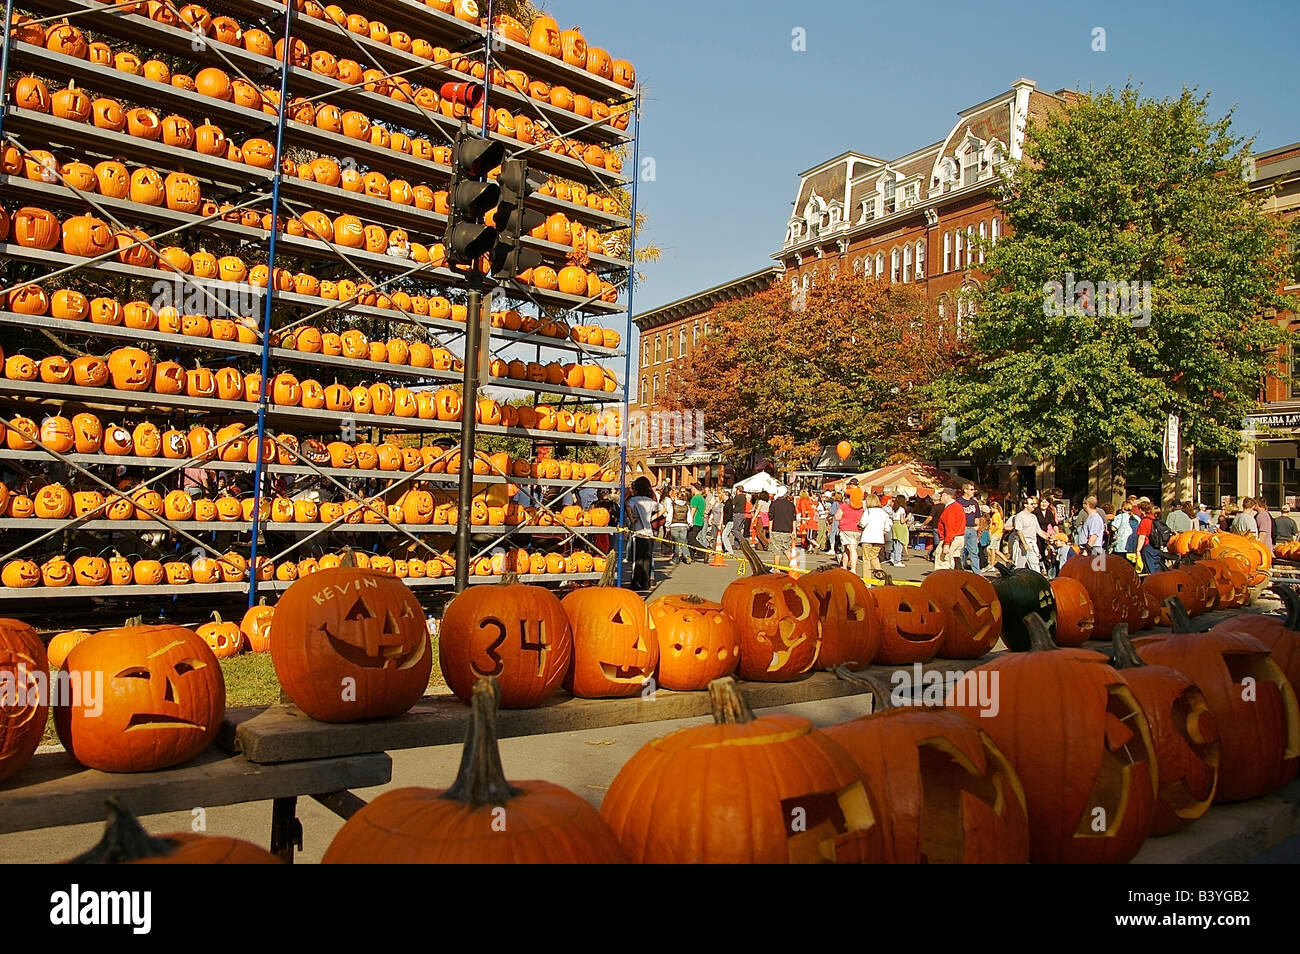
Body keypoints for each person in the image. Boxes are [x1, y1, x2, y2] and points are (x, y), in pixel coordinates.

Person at [625, 477, 658, 591]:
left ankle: (635, 582)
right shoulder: (650, 501)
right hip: (648, 532)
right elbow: (662, 509)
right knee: (647, 558)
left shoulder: (634, 500)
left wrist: (632, 519)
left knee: (638, 559)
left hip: (638, 532)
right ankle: (646, 582)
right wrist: (652, 518)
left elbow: (628, 507)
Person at [934, 490, 967, 571]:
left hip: (951, 539)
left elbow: (950, 527)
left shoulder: (950, 508)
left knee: (943, 564)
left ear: (947, 496)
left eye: (942, 496)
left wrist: (946, 543)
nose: (940, 498)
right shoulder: (959, 506)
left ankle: (943, 582)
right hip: (960, 537)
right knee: (955, 561)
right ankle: (958, 580)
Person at [859, 493, 890, 578]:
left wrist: (860, 526)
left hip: (867, 537)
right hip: (879, 538)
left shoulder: (868, 512)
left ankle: (867, 579)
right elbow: (888, 527)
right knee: (874, 556)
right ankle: (880, 575)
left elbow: (862, 523)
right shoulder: (884, 513)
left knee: (866, 559)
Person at [767, 487, 797, 571]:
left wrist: (770, 530)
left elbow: (771, 518)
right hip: (787, 529)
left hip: (776, 528)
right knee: (786, 549)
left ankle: (776, 568)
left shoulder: (774, 504)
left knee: (777, 550)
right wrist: (794, 530)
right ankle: (793, 565)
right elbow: (794, 519)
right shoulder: (791, 505)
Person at [1011, 497, 1044, 572]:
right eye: (1031, 504)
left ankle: (1037, 581)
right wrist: (1024, 544)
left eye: (1034, 504)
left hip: (1032, 544)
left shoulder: (1033, 516)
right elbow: (1019, 531)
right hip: (1023, 543)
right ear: (1025, 505)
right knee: (1020, 566)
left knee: (1035, 564)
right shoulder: (1020, 516)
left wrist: (1049, 537)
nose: (1034, 506)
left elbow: (1039, 531)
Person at [838, 486, 865, 574]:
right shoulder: (862, 508)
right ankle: (844, 566)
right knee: (847, 548)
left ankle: (853, 569)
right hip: (857, 530)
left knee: (851, 548)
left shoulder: (844, 506)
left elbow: (837, 516)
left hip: (846, 528)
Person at [959, 483, 980, 572]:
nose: (973, 492)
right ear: (965, 490)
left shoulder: (974, 503)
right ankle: (960, 571)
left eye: (973, 490)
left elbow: (977, 517)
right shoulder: (959, 502)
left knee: (974, 552)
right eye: (971, 490)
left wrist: (977, 527)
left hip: (972, 529)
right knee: (960, 552)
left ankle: (977, 572)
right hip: (962, 529)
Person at [667, 488, 691, 564]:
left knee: (676, 543)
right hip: (684, 525)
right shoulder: (687, 506)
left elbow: (670, 516)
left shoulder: (673, 505)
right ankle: (687, 555)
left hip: (674, 525)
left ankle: (676, 558)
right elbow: (689, 516)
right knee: (683, 541)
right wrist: (690, 524)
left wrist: (667, 525)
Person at [889, 497, 910, 567]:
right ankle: (897, 560)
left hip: (894, 525)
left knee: (895, 542)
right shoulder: (901, 509)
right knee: (899, 543)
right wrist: (908, 517)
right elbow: (902, 521)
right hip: (900, 526)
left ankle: (892, 557)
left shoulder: (894, 509)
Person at [687, 484, 706, 556]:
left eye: (692, 488)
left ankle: (704, 551)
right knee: (690, 539)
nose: (691, 490)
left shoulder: (695, 498)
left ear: (695, 489)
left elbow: (693, 510)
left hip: (695, 521)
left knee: (691, 539)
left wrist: (690, 521)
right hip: (700, 521)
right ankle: (691, 555)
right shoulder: (702, 498)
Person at [986, 500, 1005, 568]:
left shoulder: (995, 516)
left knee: (991, 549)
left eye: (991, 508)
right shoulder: (1000, 515)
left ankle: (992, 563)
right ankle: (1006, 560)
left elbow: (996, 526)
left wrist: (991, 532)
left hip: (995, 534)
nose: (990, 510)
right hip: (999, 533)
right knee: (996, 550)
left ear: (994, 508)